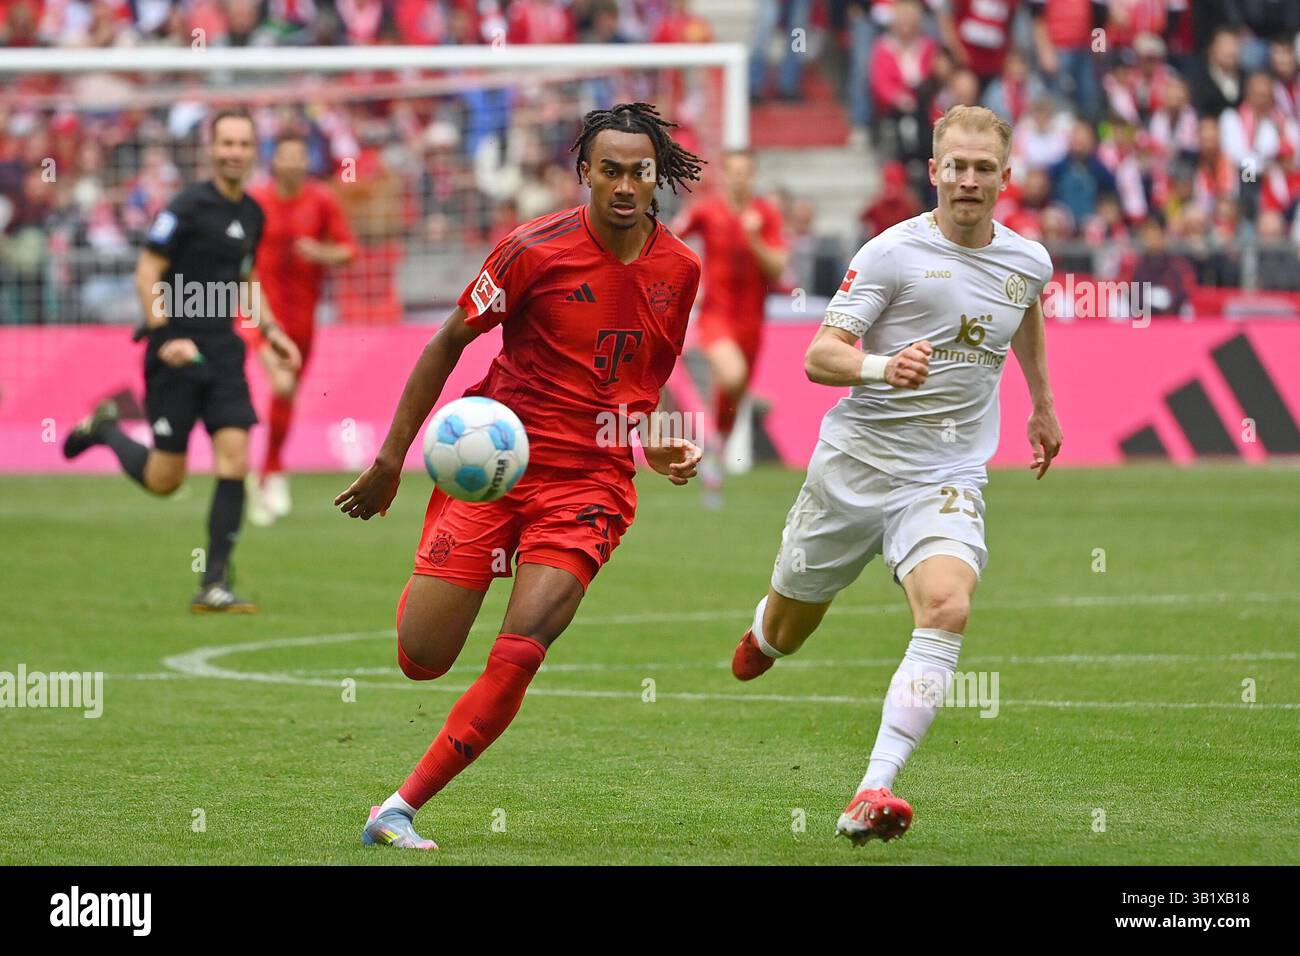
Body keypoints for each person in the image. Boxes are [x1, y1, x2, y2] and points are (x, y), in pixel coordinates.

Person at [334, 103, 704, 851]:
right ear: (585, 175)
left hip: (590, 486)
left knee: (524, 645)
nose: (626, 184)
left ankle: (398, 807)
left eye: (640, 170)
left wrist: (658, 443)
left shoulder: (680, 270)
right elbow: (447, 341)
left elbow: (643, 380)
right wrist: (389, 458)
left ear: (656, 175)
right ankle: (445, 549)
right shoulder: (532, 250)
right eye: (611, 170)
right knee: (422, 659)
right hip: (496, 467)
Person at [729, 105, 1062, 845]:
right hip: (856, 467)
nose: (969, 180)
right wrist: (884, 365)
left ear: (1005, 179)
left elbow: (1026, 309)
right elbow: (821, 355)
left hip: (944, 471)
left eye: (984, 168)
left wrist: (1041, 403)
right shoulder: (891, 254)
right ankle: (766, 632)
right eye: (957, 166)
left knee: (947, 607)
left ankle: (873, 786)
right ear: (934, 170)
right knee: (787, 627)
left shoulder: (1028, 260)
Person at [61, 107, 301, 612]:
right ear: (211, 150)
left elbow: (246, 279)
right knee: (165, 481)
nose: (234, 152)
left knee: (234, 458)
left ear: (252, 150)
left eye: (242, 143)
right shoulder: (187, 207)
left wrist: (273, 331)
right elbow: (148, 271)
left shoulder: (253, 214)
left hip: (224, 351)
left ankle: (214, 583)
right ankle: (105, 429)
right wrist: (164, 332)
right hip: (175, 353)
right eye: (226, 143)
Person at [245, 131, 356, 525]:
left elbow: (348, 250)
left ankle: (268, 471)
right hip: (260, 312)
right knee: (282, 385)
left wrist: (319, 252)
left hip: (302, 320)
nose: (293, 163)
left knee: (286, 396)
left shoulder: (321, 199)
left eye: (299, 156)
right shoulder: (255, 201)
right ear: (275, 161)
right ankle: (266, 472)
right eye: (286, 156)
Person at [671, 150, 786, 505]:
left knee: (734, 395)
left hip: (752, 322)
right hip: (716, 316)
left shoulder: (764, 215)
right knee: (733, 376)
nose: (739, 179)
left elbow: (777, 269)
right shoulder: (708, 210)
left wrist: (754, 238)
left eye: (745, 173)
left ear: (752, 176)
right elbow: (672, 237)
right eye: (732, 172)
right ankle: (714, 439)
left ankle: (715, 452)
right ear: (724, 176)